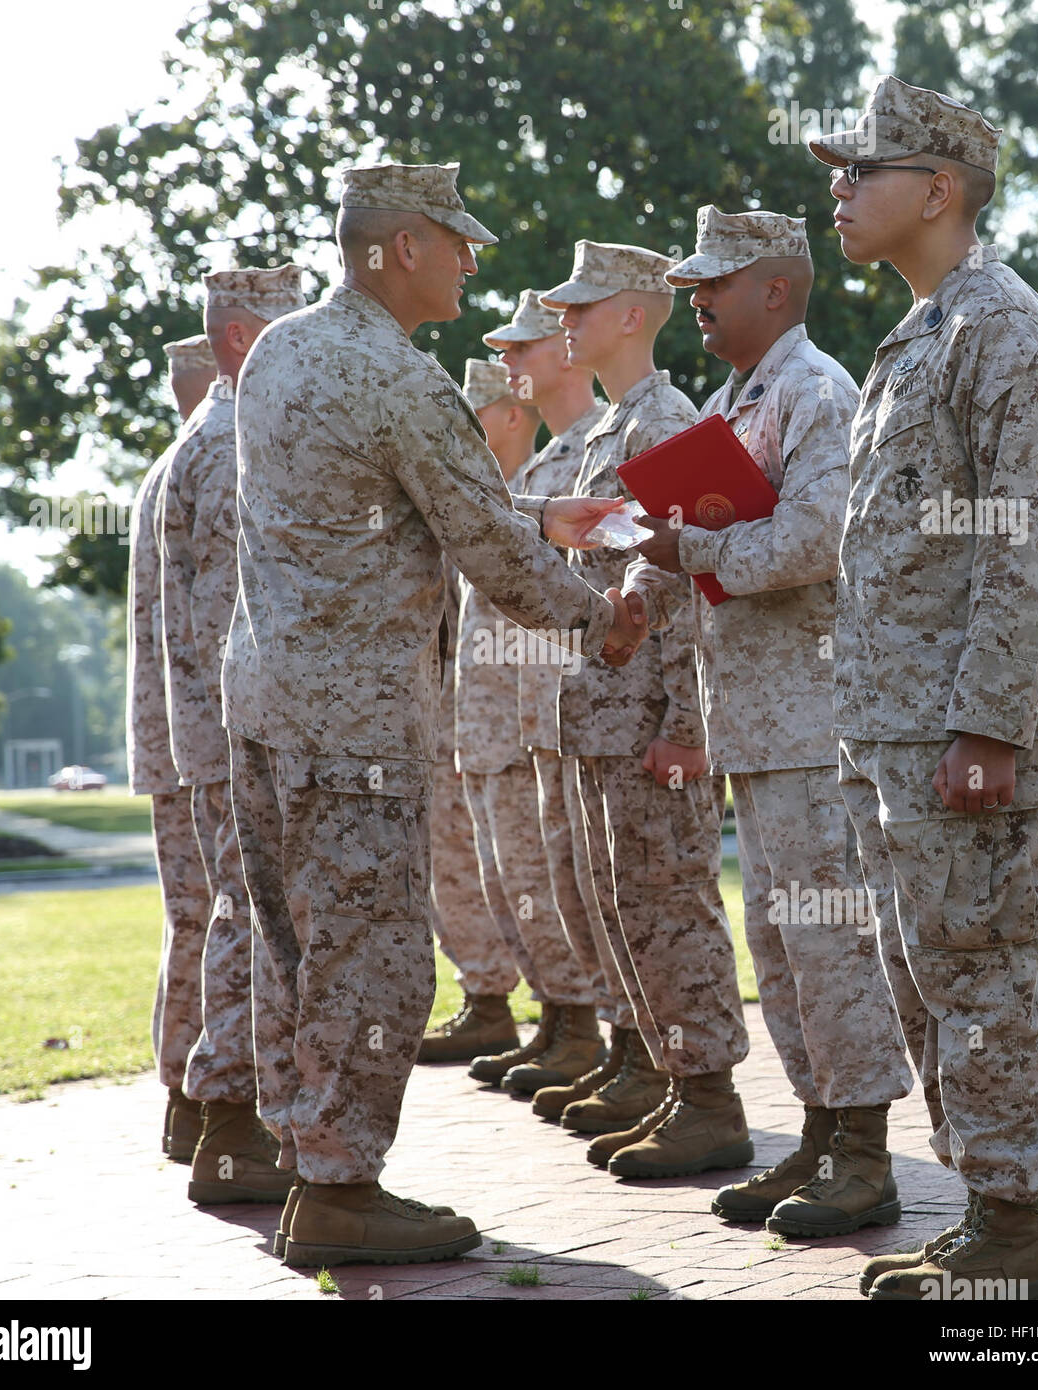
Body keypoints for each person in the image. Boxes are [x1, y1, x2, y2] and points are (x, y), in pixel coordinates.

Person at [221, 162, 647, 1267]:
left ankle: (302, 1152)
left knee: (294, 945)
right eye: (455, 240)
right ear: (400, 246)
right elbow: (484, 547)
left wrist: (543, 509)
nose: (471, 259)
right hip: (356, 722)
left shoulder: (282, 349)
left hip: (267, 705)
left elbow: (408, 496)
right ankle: (343, 1185)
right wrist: (597, 618)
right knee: (375, 960)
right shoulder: (397, 375)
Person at [810, 76, 1038, 1300]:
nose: (838, 188)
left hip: (961, 729)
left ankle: (1015, 1237)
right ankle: (986, 1212)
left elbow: (1025, 542)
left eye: (861, 171)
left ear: (938, 190)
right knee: (932, 970)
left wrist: (984, 727)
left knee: (975, 968)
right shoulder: (919, 334)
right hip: (896, 724)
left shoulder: (999, 330)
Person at [628, 208, 915, 1232]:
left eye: (716, 283)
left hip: (813, 720)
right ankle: (818, 1133)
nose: (697, 300)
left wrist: (695, 553)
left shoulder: (814, 391)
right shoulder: (738, 397)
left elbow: (815, 538)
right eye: (693, 284)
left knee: (828, 939)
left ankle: (866, 1154)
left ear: (777, 291)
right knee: (781, 944)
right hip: (756, 718)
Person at [536, 241, 753, 1179]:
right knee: (624, 903)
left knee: (672, 905)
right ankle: (659, 1070)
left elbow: (693, 583)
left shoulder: (666, 422)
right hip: (597, 712)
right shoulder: (606, 430)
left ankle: (710, 1097)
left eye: (584, 307)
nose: (566, 322)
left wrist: (685, 721)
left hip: (648, 716)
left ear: (634, 313)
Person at [158, 266, 307, 1206]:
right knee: (245, 923)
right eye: (289, 333)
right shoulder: (231, 444)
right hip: (238, 730)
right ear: (248, 339)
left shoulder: (212, 435)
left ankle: (226, 1117)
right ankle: (229, 1121)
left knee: (240, 918)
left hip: (226, 729)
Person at [471, 290, 634, 1106]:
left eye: (524, 348)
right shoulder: (548, 465)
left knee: (605, 890)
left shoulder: (589, 451)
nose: (510, 365)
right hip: (532, 709)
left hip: (588, 703)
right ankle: (576, 1029)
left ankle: (607, 1037)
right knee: (553, 885)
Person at [453, 357, 605, 1095]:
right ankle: (559, 1019)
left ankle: (583, 1027)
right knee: (512, 879)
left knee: (552, 883)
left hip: (534, 722)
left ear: (509, 414)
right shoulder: (518, 486)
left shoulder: (585, 454)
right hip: (493, 724)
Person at [126, 332, 215, 1162]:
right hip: (203, 739)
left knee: (193, 919)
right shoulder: (206, 459)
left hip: (172, 739)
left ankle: (187, 1101)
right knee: (215, 919)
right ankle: (200, 1098)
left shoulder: (164, 467)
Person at [416, 542, 522, 1065]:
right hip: (452, 722)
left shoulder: (490, 508)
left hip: (484, 727)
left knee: (481, 870)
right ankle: (486, 1003)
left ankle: (522, 1010)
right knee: (450, 873)